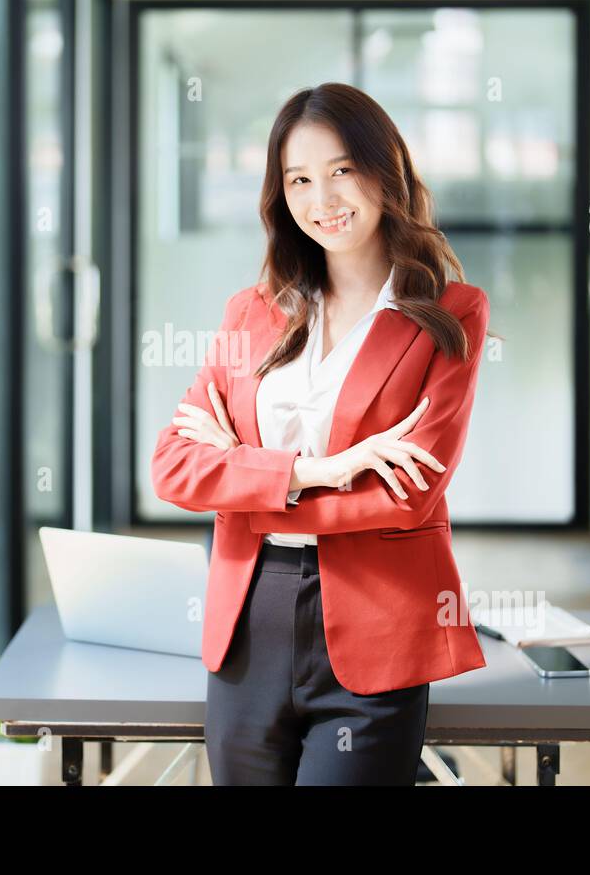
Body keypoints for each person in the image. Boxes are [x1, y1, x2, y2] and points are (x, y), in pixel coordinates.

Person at [151, 81, 492, 785]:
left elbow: (409, 494)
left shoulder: (448, 313)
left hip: (377, 622)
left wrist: (241, 470)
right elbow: (173, 467)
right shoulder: (250, 314)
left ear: (384, 169)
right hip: (250, 624)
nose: (323, 199)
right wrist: (320, 471)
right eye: (299, 179)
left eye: (341, 171)